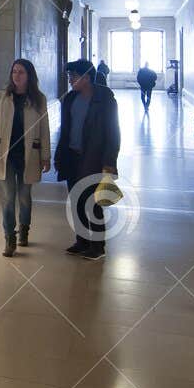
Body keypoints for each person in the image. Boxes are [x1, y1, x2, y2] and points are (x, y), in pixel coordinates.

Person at [0, 59, 52, 256]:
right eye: (14, 72)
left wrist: (46, 156)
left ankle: (24, 229)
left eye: (21, 72)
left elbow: (44, 129)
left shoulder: (39, 99)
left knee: (24, 197)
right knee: (8, 197)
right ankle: (9, 238)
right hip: (6, 155)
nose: (16, 75)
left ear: (29, 75)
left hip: (28, 155)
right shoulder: (2, 97)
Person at [54, 60, 120, 260]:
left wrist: (109, 160)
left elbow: (113, 132)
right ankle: (81, 241)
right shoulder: (70, 99)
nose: (70, 80)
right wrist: (59, 155)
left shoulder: (105, 99)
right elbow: (65, 131)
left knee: (93, 202)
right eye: (69, 76)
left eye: (73, 76)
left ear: (86, 77)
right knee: (76, 200)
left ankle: (98, 246)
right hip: (72, 156)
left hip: (94, 158)